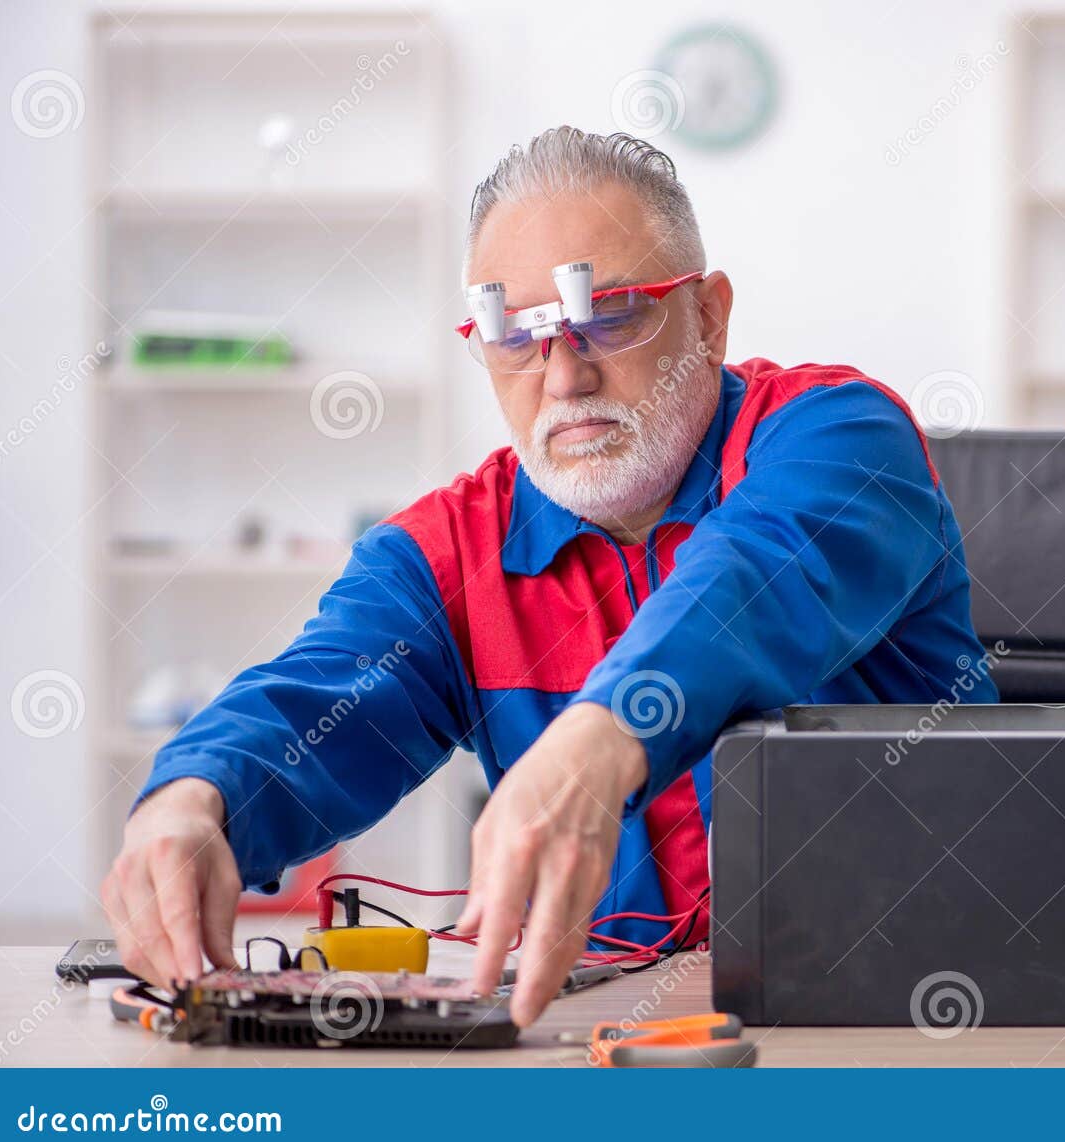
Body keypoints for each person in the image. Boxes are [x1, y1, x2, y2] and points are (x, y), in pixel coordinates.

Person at [102, 126, 997, 1027]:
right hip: (616, 1046)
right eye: (511, 333)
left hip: (916, 1022)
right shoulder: (445, 554)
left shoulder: (843, 438)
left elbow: (752, 578)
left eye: (607, 314)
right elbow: (321, 690)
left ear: (710, 317)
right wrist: (191, 801)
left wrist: (599, 739)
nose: (562, 375)